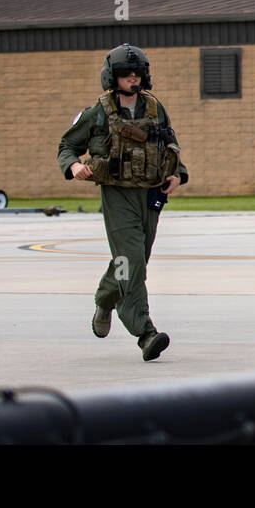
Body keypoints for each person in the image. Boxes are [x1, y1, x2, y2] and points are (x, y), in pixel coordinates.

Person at [57, 43, 187, 360]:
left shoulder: (155, 108)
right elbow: (67, 145)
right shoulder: (97, 113)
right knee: (131, 260)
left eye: (137, 72)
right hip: (118, 194)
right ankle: (145, 333)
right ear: (112, 77)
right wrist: (74, 166)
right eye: (126, 73)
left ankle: (105, 300)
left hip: (152, 193)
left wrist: (178, 175)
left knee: (136, 258)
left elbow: (170, 142)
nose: (133, 77)